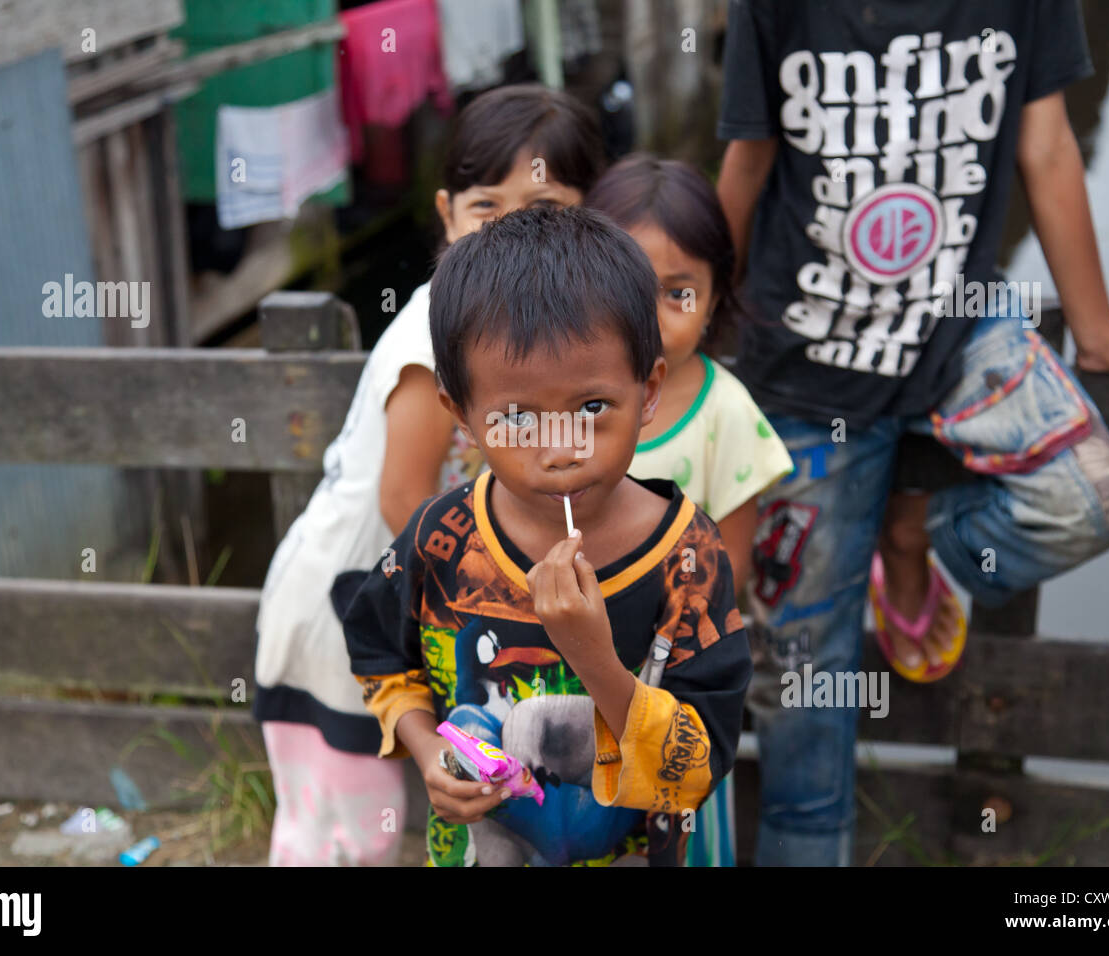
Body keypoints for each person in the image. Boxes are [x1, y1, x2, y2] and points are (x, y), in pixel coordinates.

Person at [715, 0, 1109, 865]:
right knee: (805, 708)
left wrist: (1101, 336)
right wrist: (695, 315)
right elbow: (748, 160)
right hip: (805, 366)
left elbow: (1046, 146)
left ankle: (913, 530)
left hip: (960, 331)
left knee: (1093, 498)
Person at [252, 85, 605, 866]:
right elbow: (404, 498)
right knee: (338, 840)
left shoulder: (528, 336)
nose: (510, 233)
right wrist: (505, 599)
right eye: (487, 208)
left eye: (541, 207)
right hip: (348, 612)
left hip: (409, 607)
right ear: (446, 214)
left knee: (393, 819)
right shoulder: (432, 330)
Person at [338, 206, 752, 866]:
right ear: (462, 417)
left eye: (591, 408)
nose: (561, 450)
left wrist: (595, 659)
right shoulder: (441, 538)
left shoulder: (688, 559)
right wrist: (429, 751)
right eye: (515, 417)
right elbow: (384, 657)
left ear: (647, 393)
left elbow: (695, 769)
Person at [585, 154, 793, 866]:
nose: (654, 317)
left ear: (715, 296)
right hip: (569, 667)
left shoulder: (724, 414)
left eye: (679, 293)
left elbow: (728, 571)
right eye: (631, 290)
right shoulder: (567, 402)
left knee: (676, 837)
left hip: (679, 687)